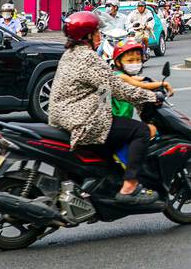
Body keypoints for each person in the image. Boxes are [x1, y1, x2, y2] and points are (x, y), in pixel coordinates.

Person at [49, 11, 162, 203]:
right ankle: (129, 187)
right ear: (87, 36)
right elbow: (117, 88)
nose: (99, 37)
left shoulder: (70, 54)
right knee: (141, 131)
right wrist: (150, 96)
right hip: (83, 121)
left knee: (119, 130)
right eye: (96, 33)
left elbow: (101, 88)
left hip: (65, 117)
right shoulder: (88, 58)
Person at [109, 40, 173, 138]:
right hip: (116, 122)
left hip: (122, 120)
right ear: (118, 62)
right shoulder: (118, 76)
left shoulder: (122, 75)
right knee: (148, 131)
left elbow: (135, 79)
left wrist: (149, 79)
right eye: (130, 61)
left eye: (138, 60)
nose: (135, 63)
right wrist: (163, 84)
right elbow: (138, 84)